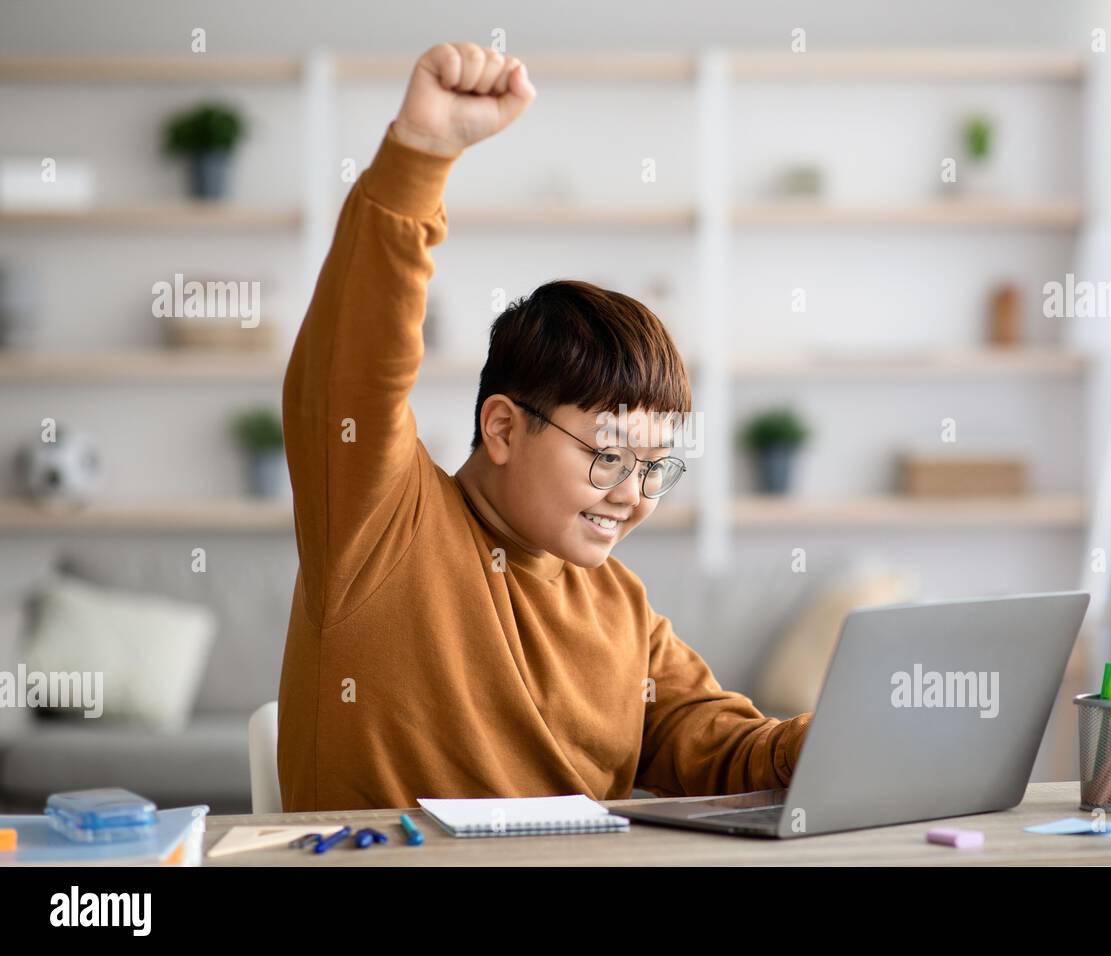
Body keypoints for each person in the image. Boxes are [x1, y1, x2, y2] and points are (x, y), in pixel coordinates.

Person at [277, 41, 810, 811]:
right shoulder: (380, 524)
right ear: (502, 427)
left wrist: (843, 737)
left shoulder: (619, 606)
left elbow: (726, 750)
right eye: (610, 457)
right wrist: (420, 159)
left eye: (658, 467)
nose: (634, 495)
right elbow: (352, 369)